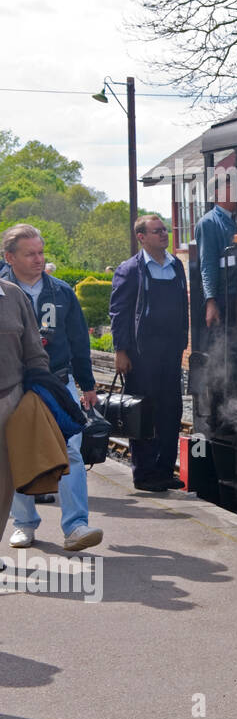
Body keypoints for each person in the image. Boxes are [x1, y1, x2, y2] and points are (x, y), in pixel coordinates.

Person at [0, 224, 102, 551]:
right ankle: (25, 524)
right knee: (17, 452)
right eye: (30, 254)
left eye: (41, 253)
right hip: (14, 387)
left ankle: (76, 525)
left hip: (57, 383)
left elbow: (78, 342)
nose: (38, 259)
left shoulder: (62, 293)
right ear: (9, 257)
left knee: (70, 449)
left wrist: (86, 385)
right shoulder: (6, 293)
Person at [110, 216, 189, 492]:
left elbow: (183, 304)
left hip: (170, 352)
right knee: (143, 411)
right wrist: (121, 350)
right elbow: (119, 312)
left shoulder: (176, 265)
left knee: (170, 410)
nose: (164, 234)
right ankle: (144, 474)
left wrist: (183, 340)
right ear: (141, 237)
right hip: (142, 354)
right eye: (157, 231)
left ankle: (165, 471)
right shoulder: (130, 269)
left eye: (164, 230)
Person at [0, 259, 52, 567]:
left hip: (9, 399)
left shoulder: (14, 296)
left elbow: (34, 350)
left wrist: (41, 394)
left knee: (3, 482)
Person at [194, 195, 237, 330]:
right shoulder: (208, 223)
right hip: (225, 296)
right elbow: (208, 264)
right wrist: (211, 301)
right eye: (229, 186)